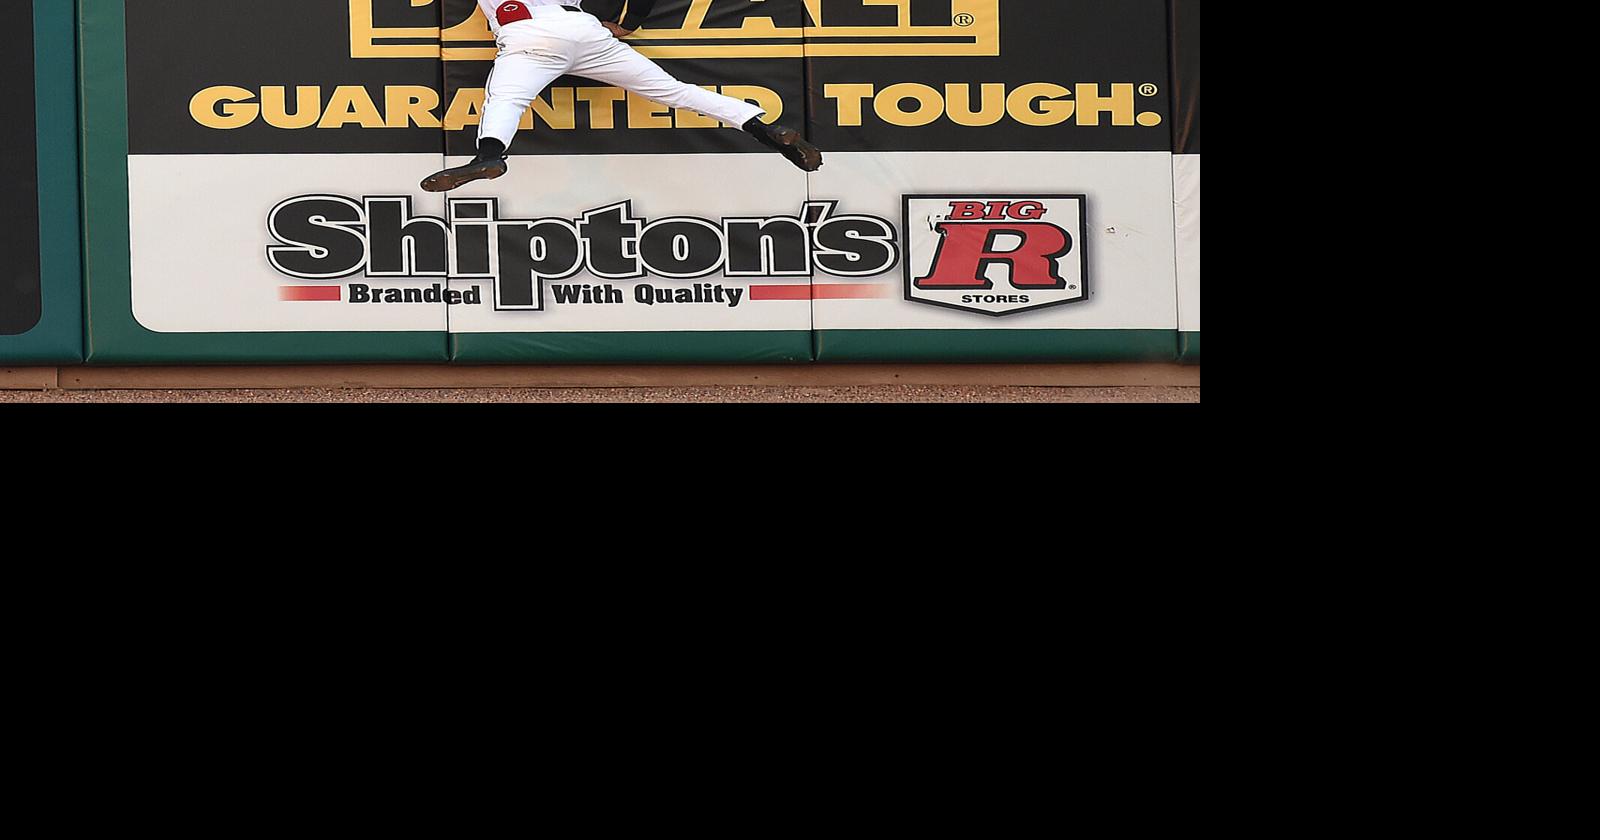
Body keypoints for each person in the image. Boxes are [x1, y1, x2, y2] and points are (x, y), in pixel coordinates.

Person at [422, 0, 822, 192]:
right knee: (675, 91)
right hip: (584, 28)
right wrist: (630, 21)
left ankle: (489, 156)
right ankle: (763, 128)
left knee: (507, 100)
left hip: (528, 34)